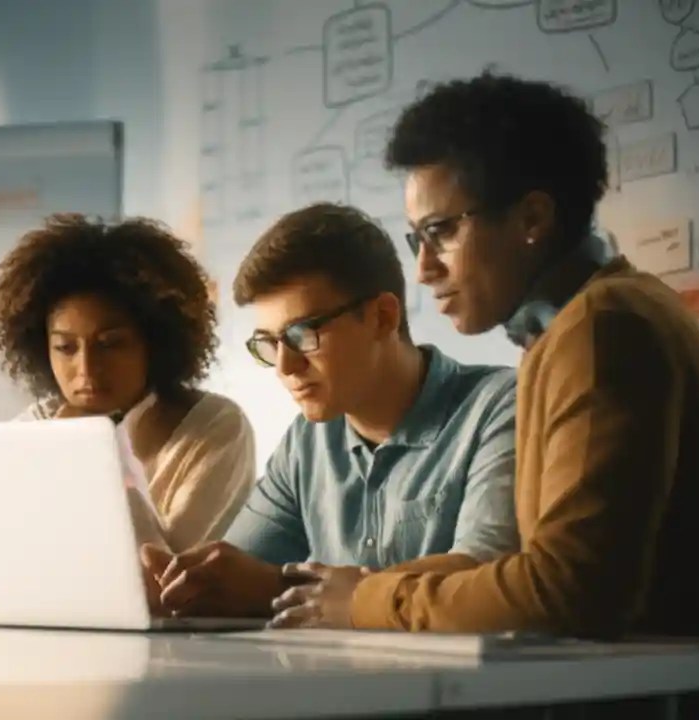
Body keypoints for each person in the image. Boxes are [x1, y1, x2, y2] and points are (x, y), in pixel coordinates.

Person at [272, 73, 699, 637]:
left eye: (441, 231)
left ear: (533, 219)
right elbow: (521, 567)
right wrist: (355, 593)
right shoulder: (585, 322)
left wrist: (369, 602)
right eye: (415, 240)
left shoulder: (603, 328)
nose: (424, 269)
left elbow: (567, 589)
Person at [143, 203, 519, 619]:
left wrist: (279, 588)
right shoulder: (307, 440)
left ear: (382, 317)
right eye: (269, 343)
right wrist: (184, 583)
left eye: (303, 334)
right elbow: (234, 575)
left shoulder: (500, 406)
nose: (285, 367)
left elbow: (486, 571)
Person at [0, 213, 256, 554]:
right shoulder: (34, 427)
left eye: (110, 344)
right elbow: (7, 551)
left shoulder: (215, 428)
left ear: (155, 343)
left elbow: (166, 582)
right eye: (65, 348)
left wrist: (96, 460)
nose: (86, 368)